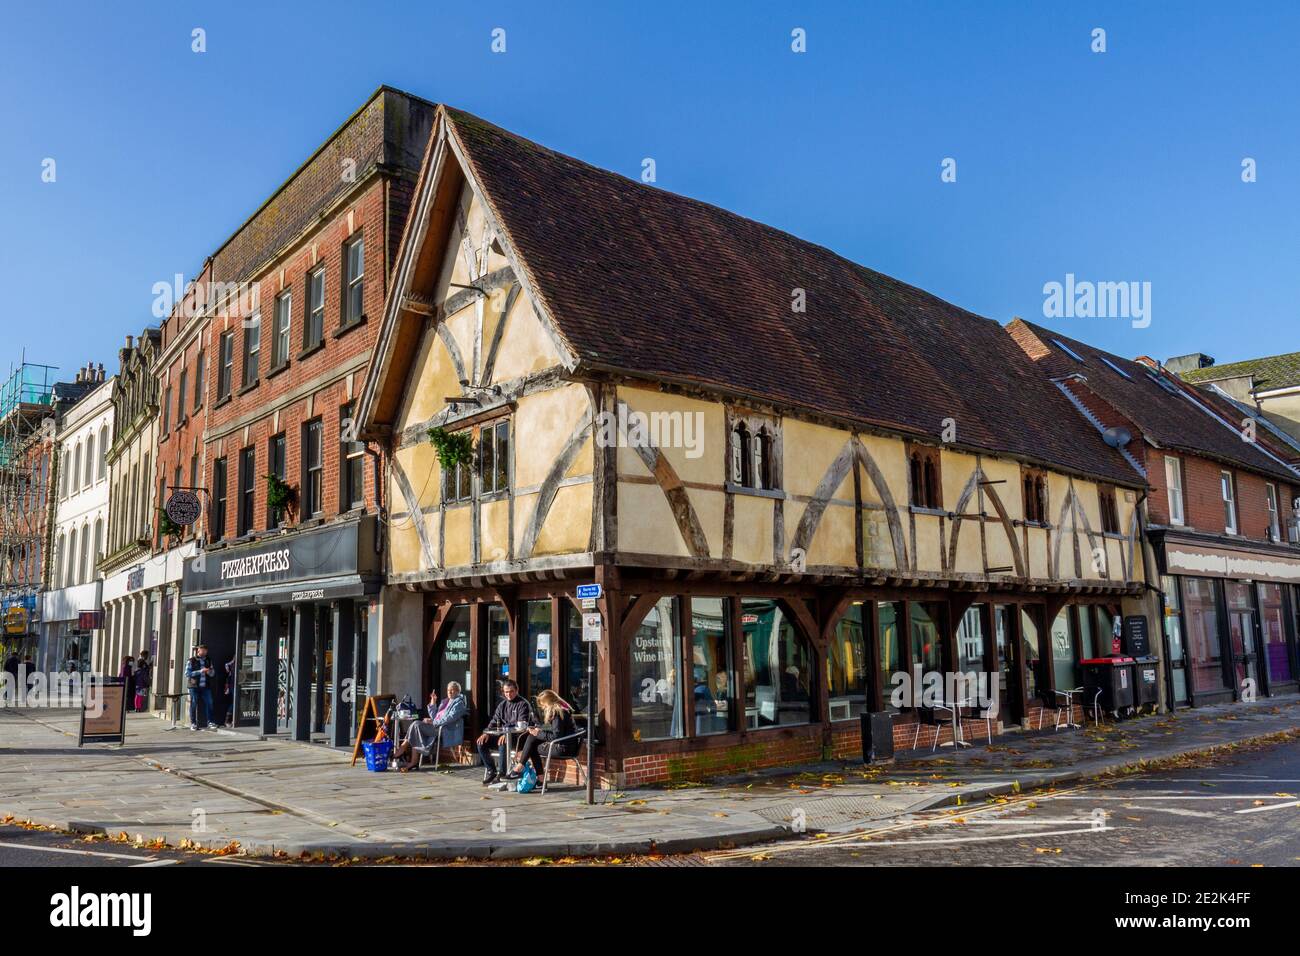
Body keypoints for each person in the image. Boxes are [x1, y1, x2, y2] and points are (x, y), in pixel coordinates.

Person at [392, 682, 468, 771]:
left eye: (452, 690)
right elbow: (435, 716)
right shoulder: (445, 701)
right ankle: (412, 759)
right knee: (415, 727)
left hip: (445, 729)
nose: (449, 692)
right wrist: (433, 703)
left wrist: (432, 722)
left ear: (458, 691)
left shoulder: (459, 703)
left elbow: (449, 718)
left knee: (416, 724)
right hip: (436, 726)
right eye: (448, 690)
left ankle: (404, 749)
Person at [511, 689, 578, 783]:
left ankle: (522, 769)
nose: (543, 708)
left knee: (532, 747)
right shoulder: (562, 709)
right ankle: (535, 776)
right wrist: (540, 731)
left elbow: (556, 737)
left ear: (549, 703)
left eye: (543, 705)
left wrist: (538, 733)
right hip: (567, 745)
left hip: (563, 748)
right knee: (532, 739)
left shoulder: (557, 713)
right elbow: (557, 731)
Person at [475, 679, 532, 786]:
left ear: (517, 690)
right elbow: (494, 721)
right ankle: (491, 771)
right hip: (504, 736)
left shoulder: (522, 704)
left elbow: (521, 725)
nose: (508, 694)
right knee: (481, 742)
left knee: (502, 742)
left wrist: (505, 733)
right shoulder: (502, 705)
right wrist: (486, 733)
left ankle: (502, 773)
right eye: (506, 692)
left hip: (519, 738)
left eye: (511, 691)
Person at [184, 644, 217, 730]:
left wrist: (209, 672)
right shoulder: (191, 660)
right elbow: (187, 674)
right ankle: (193, 723)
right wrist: (200, 671)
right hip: (194, 686)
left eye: (206, 650)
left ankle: (210, 722)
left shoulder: (208, 660)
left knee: (209, 703)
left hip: (205, 686)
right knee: (194, 704)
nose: (205, 652)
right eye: (203, 650)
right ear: (198, 651)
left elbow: (213, 673)